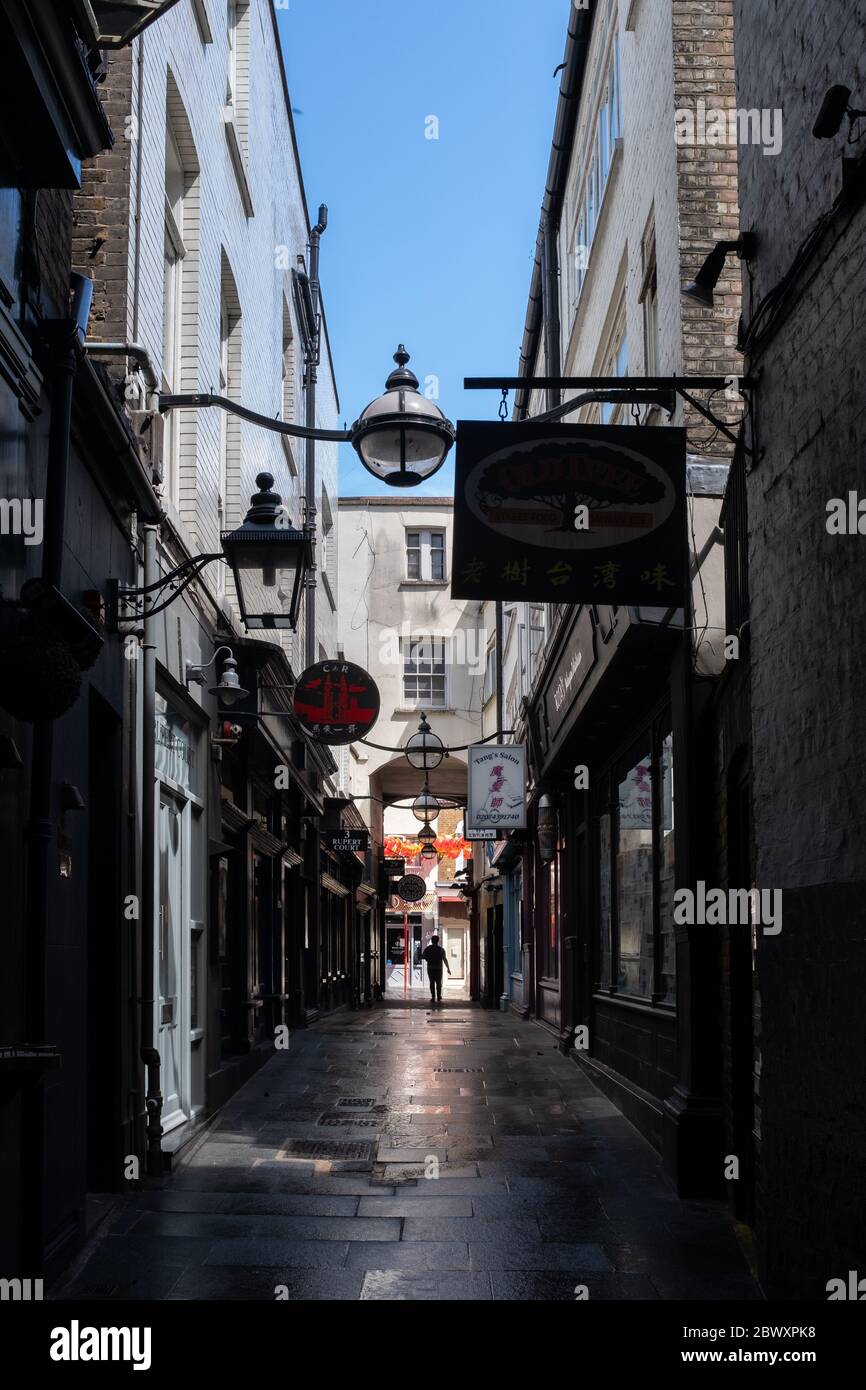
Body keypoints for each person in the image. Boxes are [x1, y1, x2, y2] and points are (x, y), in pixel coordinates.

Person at [422, 934, 451, 1005]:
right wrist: (448, 968)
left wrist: (428, 958)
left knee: (431, 982)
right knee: (438, 983)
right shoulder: (441, 950)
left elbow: (423, 956)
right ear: (438, 941)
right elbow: (445, 959)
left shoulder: (428, 949)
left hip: (430, 968)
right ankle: (438, 996)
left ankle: (433, 996)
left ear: (431, 941)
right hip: (438, 969)